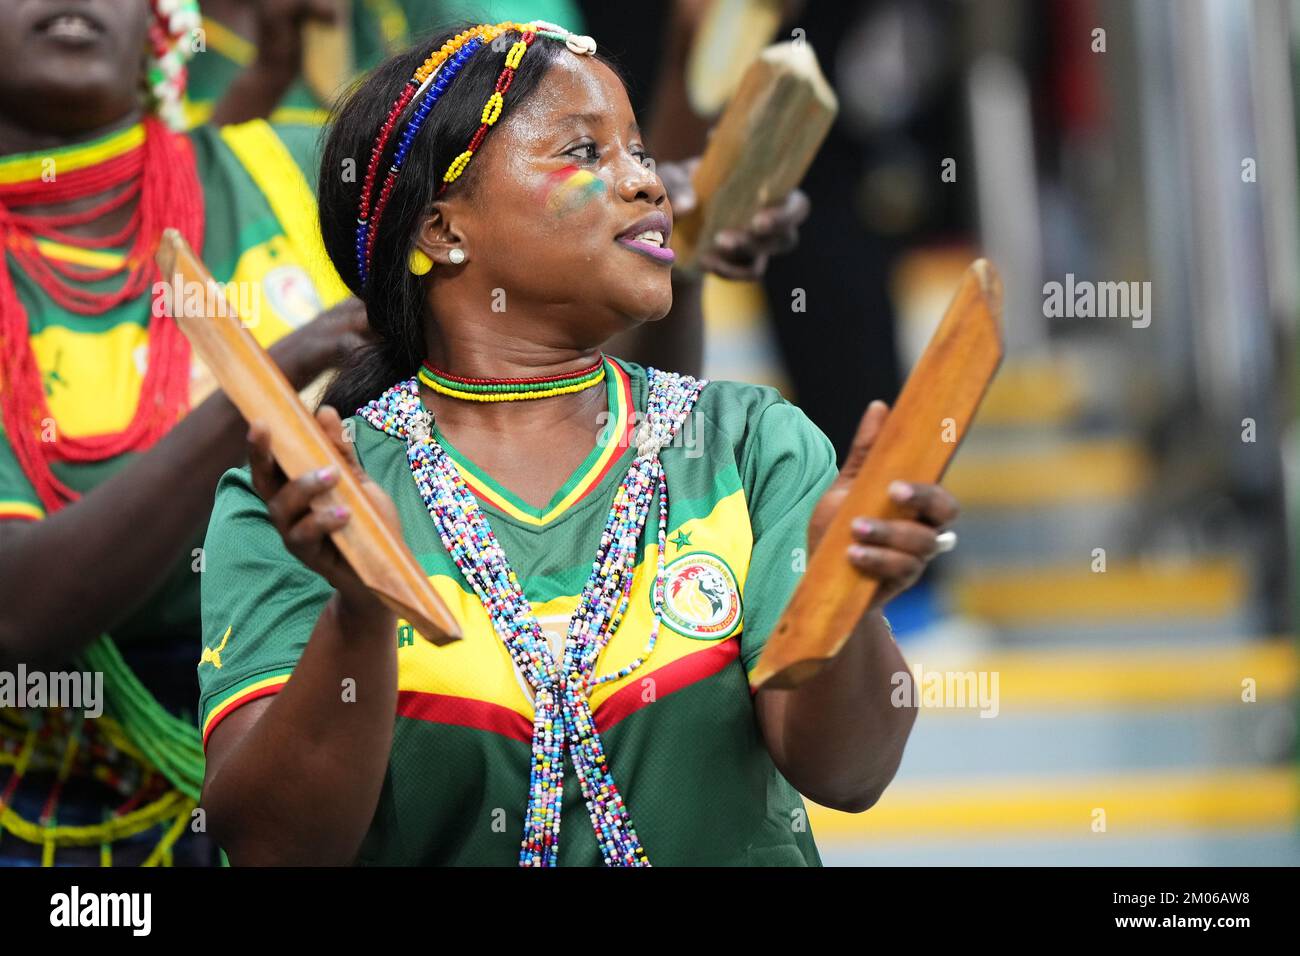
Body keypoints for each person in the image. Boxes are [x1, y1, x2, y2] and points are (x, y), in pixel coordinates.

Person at [198, 20, 958, 866]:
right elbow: (272, 846)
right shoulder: (305, 501)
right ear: (441, 231)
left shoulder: (750, 444)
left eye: (638, 151)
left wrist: (839, 596)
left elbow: (849, 773)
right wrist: (361, 607)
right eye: (585, 153)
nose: (647, 184)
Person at [0, 0, 370, 865]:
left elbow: (538, 355)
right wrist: (258, 386)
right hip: (51, 821)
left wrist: (672, 258)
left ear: (166, 17)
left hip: (329, 754)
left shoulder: (293, 166)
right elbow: (18, 614)